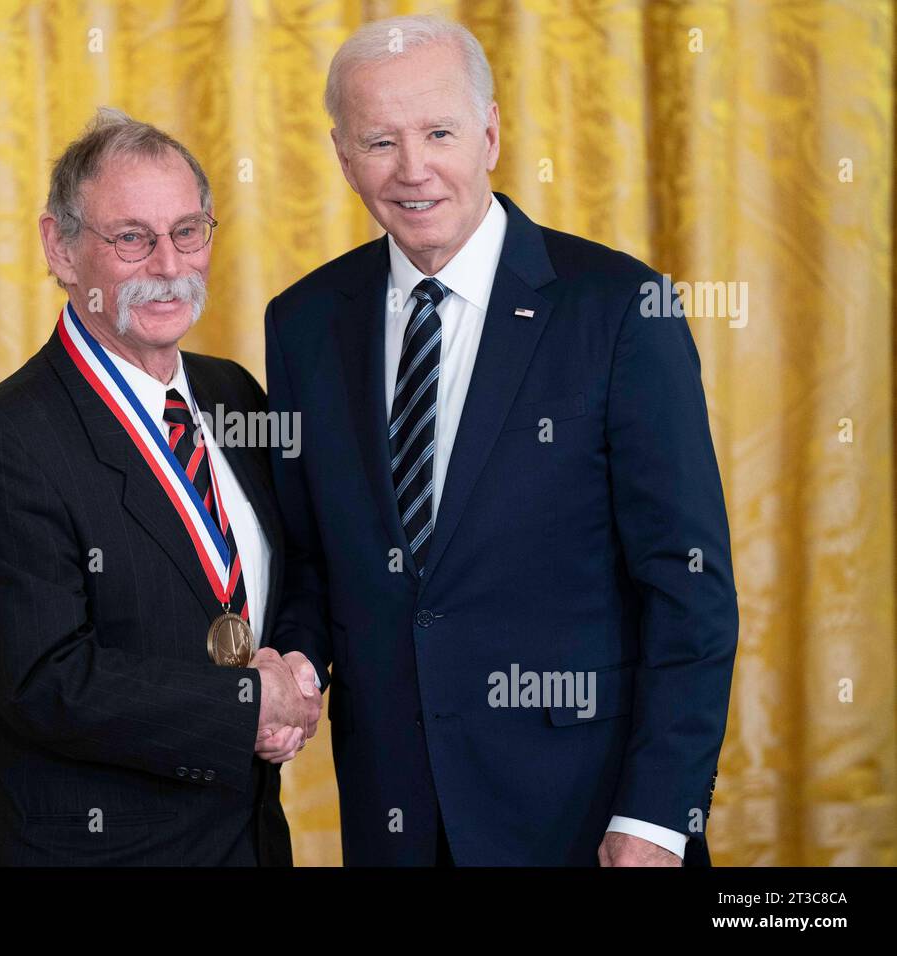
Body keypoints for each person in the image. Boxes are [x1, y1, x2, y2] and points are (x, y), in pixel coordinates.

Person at [264, 15, 738, 866]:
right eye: (379, 141)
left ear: (489, 132)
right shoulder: (302, 324)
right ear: (342, 156)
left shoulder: (620, 308)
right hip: (396, 817)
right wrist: (294, 666)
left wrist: (660, 816)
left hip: (586, 821)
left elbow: (689, 584)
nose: (413, 170)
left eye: (439, 132)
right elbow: (310, 560)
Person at [0, 108, 320, 865]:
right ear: (62, 248)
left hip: (245, 841)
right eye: (131, 238)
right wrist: (248, 706)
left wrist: (297, 671)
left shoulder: (235, 395)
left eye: (188, 231)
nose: (168, 265)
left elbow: (300, 559)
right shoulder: (5, 440)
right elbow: (47, 680)